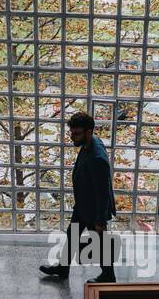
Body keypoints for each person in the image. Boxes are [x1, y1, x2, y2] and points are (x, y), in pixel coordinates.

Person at [40, 111, 118, 283]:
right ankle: (63, 268)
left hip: (93, 209)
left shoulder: (97, 157)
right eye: (71, 133)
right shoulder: (89, 143)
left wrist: (100, 221)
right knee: (72, 234)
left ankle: (108, 275)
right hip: (83, 205)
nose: (72, 137)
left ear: (89, 132)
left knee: (99, 241)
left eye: (76, 134)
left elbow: (103, 191)